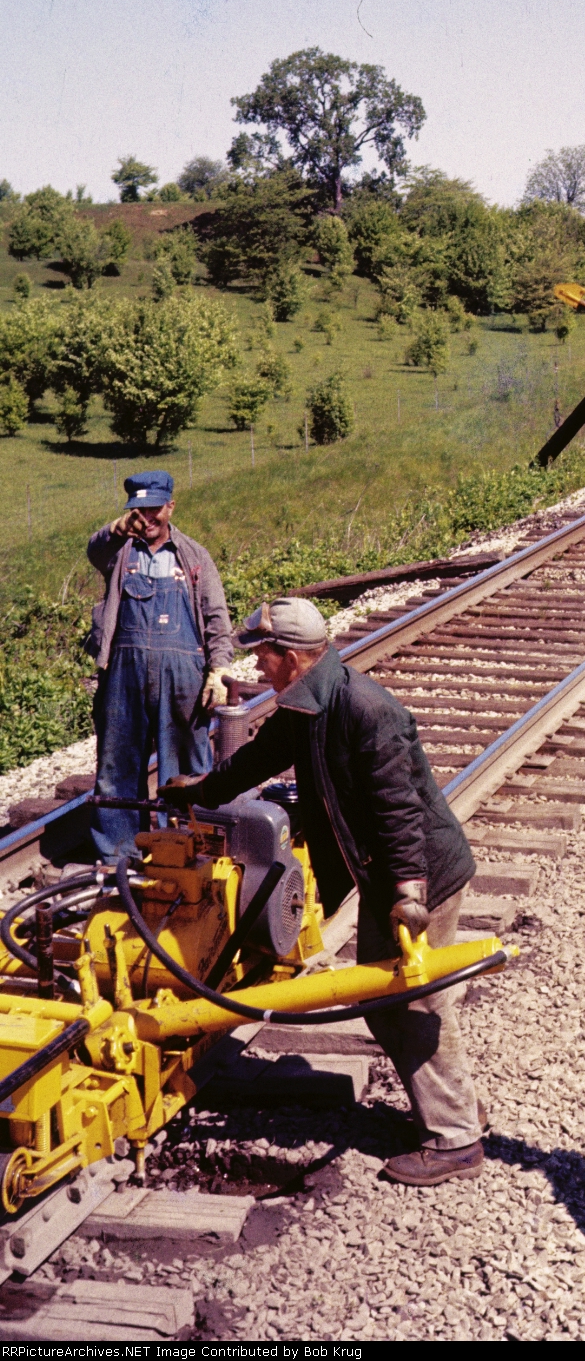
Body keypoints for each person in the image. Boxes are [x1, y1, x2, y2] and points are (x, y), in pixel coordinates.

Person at [158, 596, 485, 1188]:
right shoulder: (308, 704)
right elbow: (257, 759)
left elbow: (399, 809)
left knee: (411, 1001)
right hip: (391, 873)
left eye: (262, 656)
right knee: (387, 1002)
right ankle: (458, 1112)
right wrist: (199, 794)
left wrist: (409, 892)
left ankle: (457, 1138)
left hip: (419, 875)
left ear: (290, 656)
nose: (256, 668)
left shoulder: (364, 708)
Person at [87, 471, 233, 863]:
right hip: (124, 673)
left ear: (171, 505)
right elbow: (95, 549)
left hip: (182, 677)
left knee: (185, 765)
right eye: (138, 511)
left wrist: (218, 670)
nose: (146, 519)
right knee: (117, 765)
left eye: (154, 510)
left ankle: (186, 848)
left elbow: (216, 617)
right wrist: (116, 529)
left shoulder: (194, 556)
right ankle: (120, 856)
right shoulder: (119, 552)